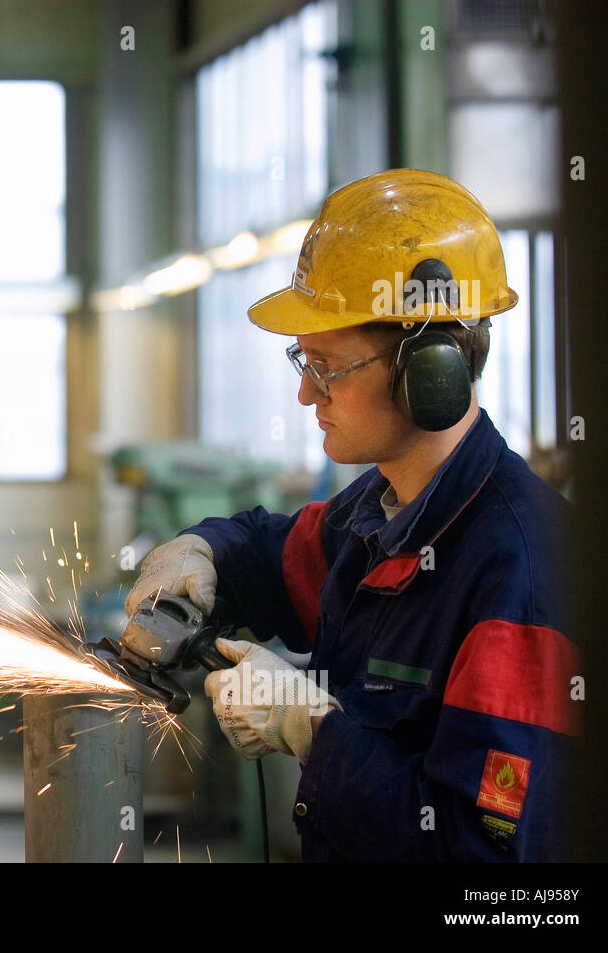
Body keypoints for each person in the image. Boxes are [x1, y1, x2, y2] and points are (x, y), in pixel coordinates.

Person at [125, 169, 580, 862]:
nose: (307, 394)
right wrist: (199, 551)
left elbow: (487, 858)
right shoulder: (380, 514)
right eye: (300, 361)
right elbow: (270, 554)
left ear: (429, 370)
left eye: (328, 366)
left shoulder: (517, 576)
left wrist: (311, 726)